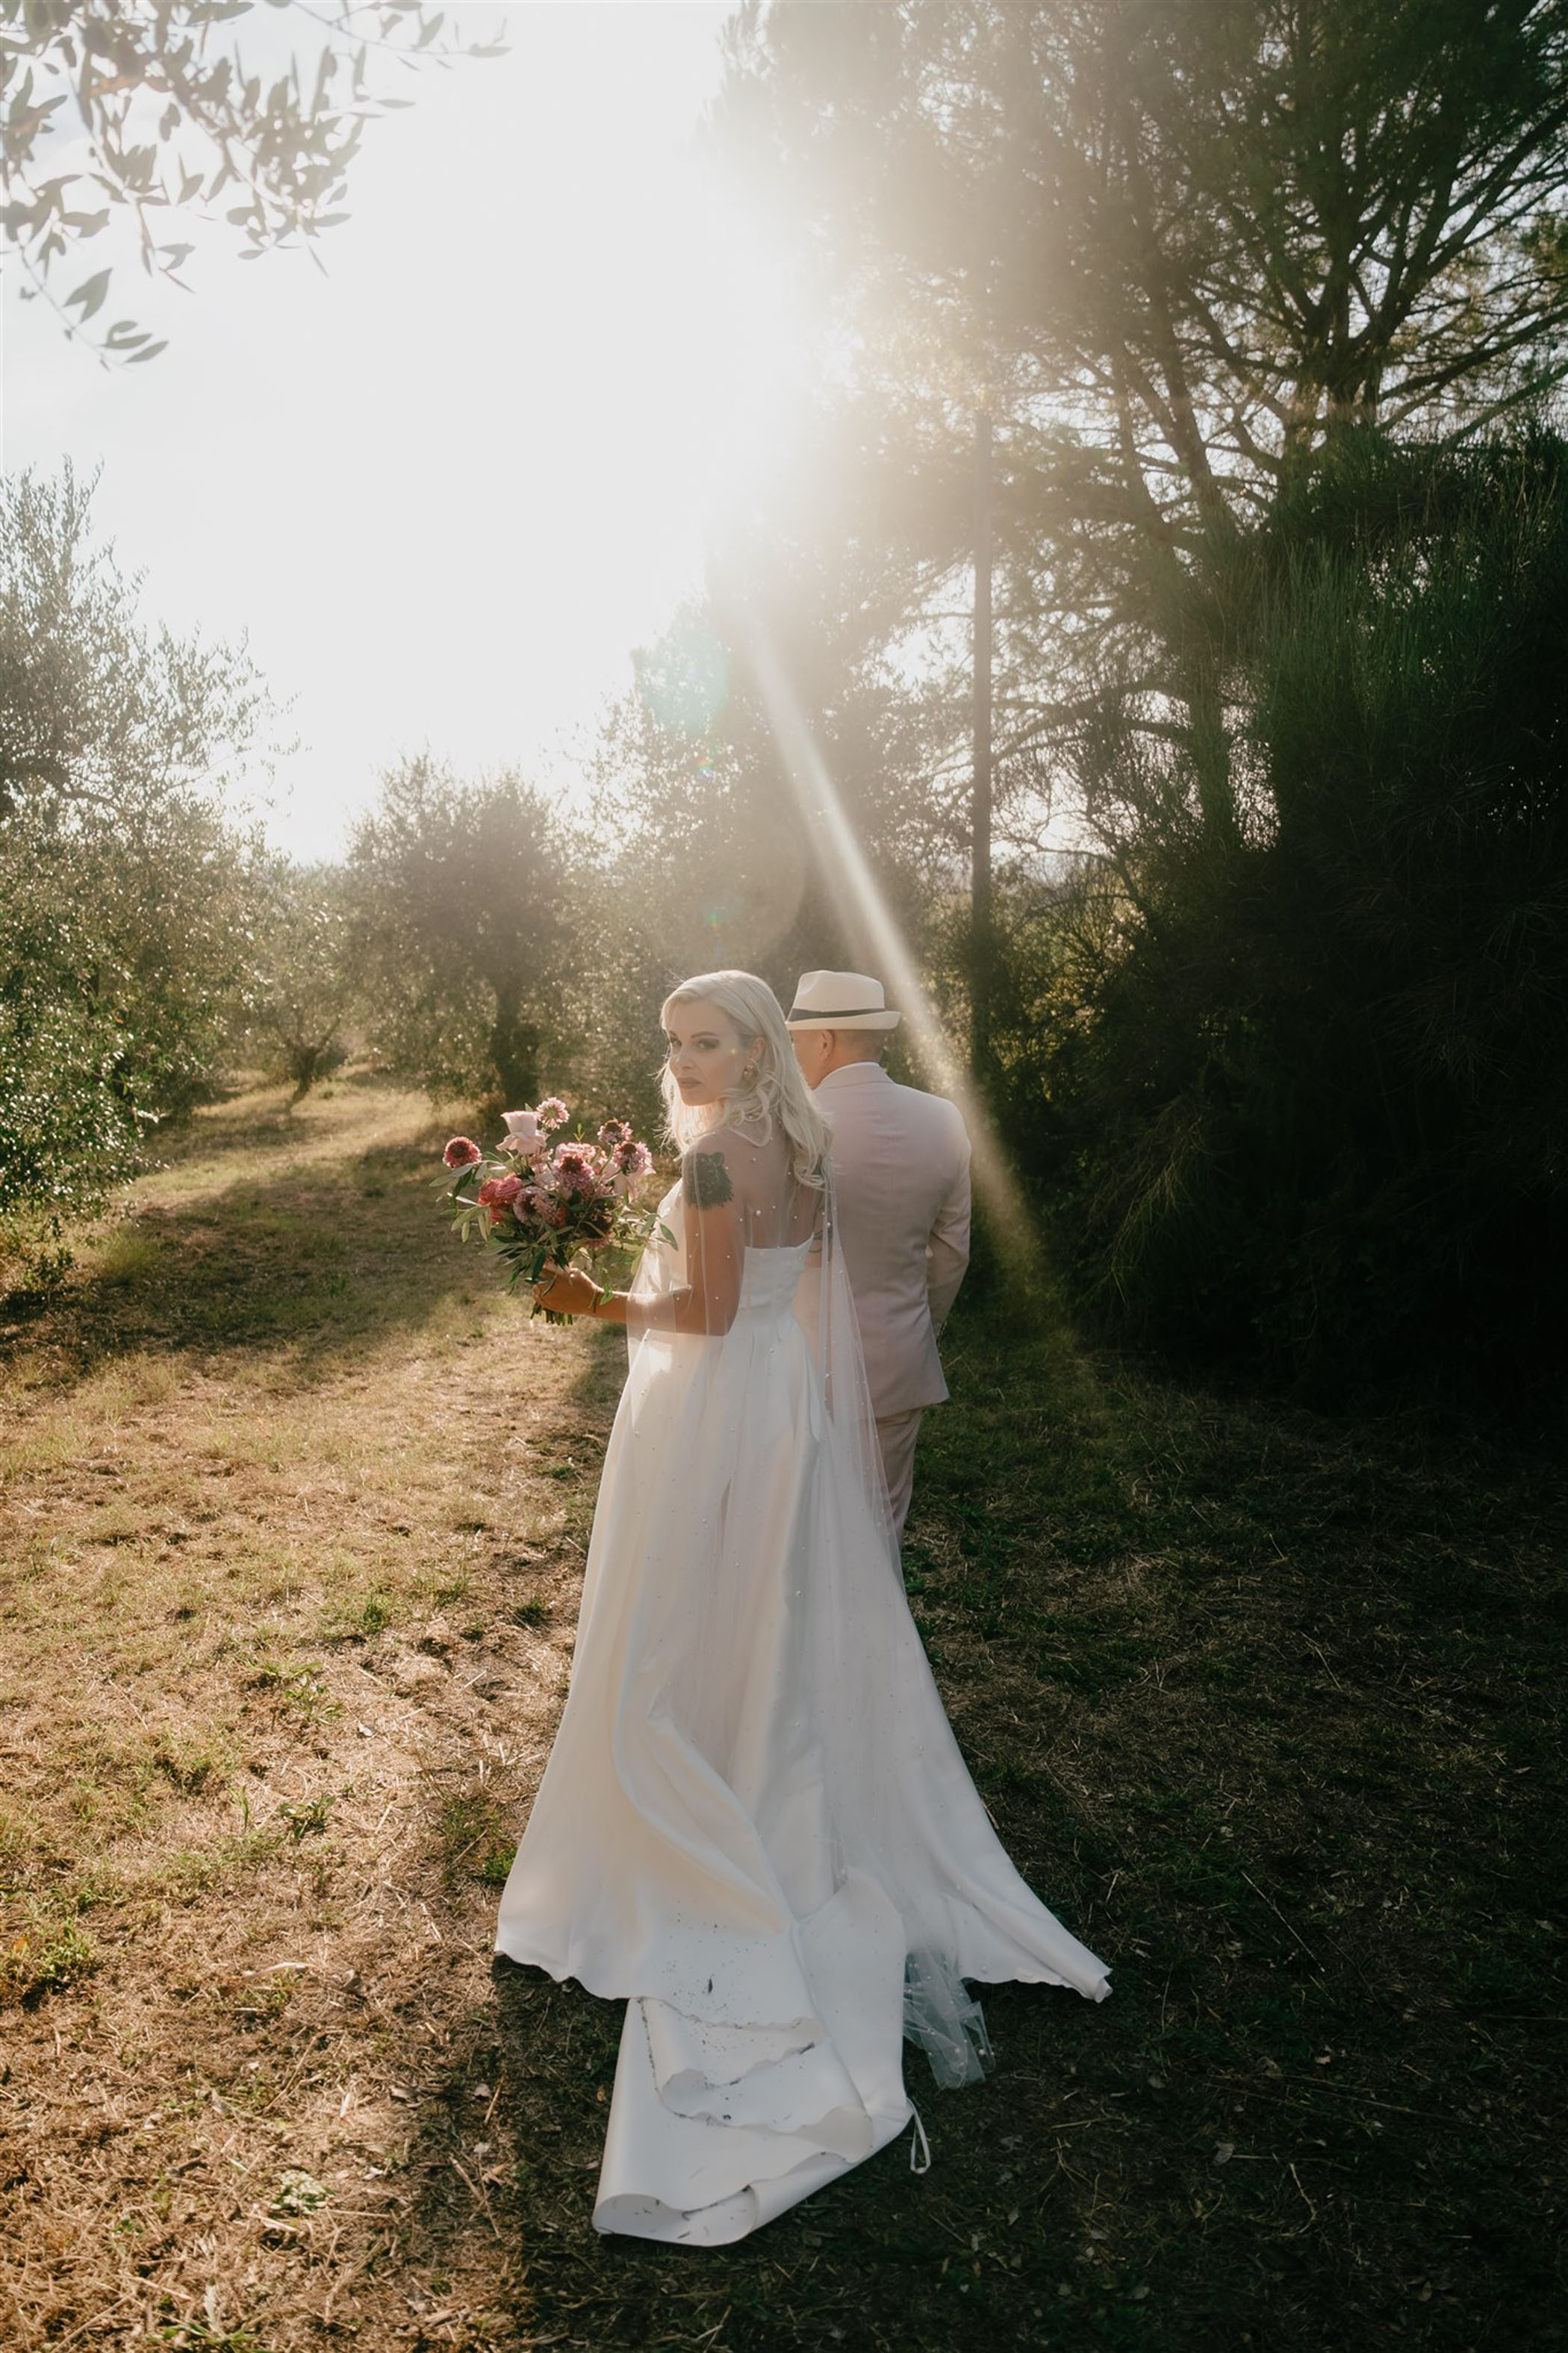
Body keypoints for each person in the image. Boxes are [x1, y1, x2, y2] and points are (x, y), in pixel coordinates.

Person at [497, 970, 1107, 2246]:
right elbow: (775, 1291)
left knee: (680, 1607)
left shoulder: (721, 1159)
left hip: (717, 1402)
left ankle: (697, 1793)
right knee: (761, 1598)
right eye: (673, 1041)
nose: (687, 1061)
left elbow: (707, 1311)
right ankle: (747, 1744)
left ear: (761, 1042)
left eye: (708, 1041)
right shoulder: (803, 1138)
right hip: (785, 1399)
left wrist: (592, 1300)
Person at [785, 969, 969, 1541]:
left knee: (797, 1535)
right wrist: (919, 1322)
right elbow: (950, 1250)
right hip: (898, 1361)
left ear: (824, 1041)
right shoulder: (943, 1118)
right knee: (878, 1534)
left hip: (794, 1365)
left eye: (795, 1042)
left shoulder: (793, 1125)